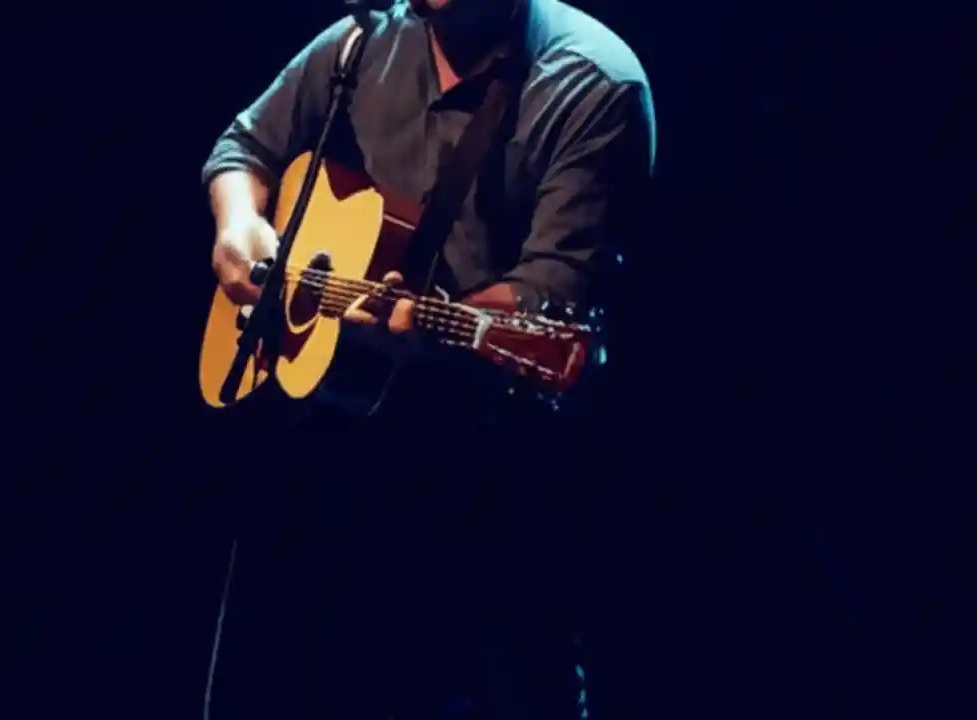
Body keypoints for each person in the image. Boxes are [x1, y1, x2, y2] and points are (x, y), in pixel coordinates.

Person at [200, 1, 655, 718]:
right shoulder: (363, 41)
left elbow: (553, 295)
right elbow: (241, 149)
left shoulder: (594, 84)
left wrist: (443, 324)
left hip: (503, 439)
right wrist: (240, 226)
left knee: (520, 683)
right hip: (354, 424)